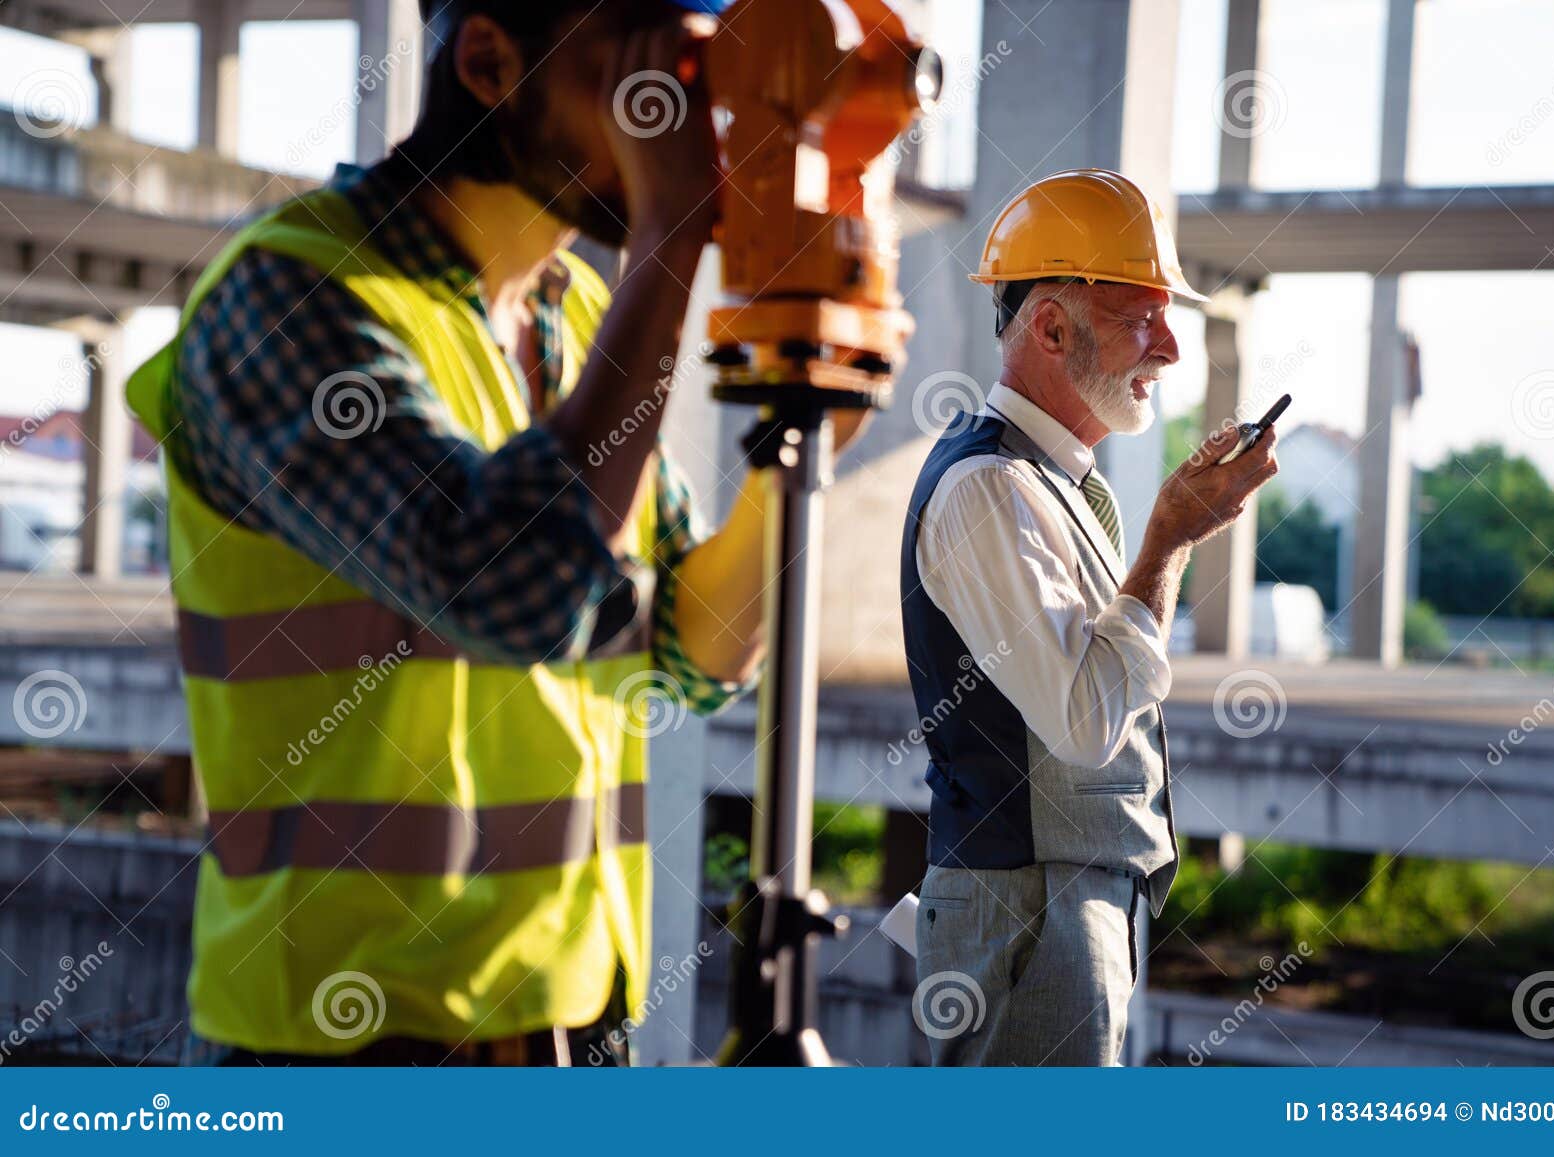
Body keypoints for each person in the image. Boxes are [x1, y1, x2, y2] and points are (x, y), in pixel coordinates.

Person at [128, 0, 863, 1066]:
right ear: (487, 59)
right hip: (349, 1046)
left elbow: (691, 656)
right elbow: (510, 589)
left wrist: (822, 393)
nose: (686, 117)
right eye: (651, 69)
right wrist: (668, 239)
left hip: (573, 1026)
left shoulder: (570, 321)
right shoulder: (292, 294)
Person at [900, 169, 1278, 1065]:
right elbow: (1086, 722)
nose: (1171, 350)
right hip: (1032, 915)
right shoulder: (991, 489)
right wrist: (1170, 542)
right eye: (1140, 316)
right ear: (1052, 326)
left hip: (1056, 908)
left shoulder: (1051, 485)